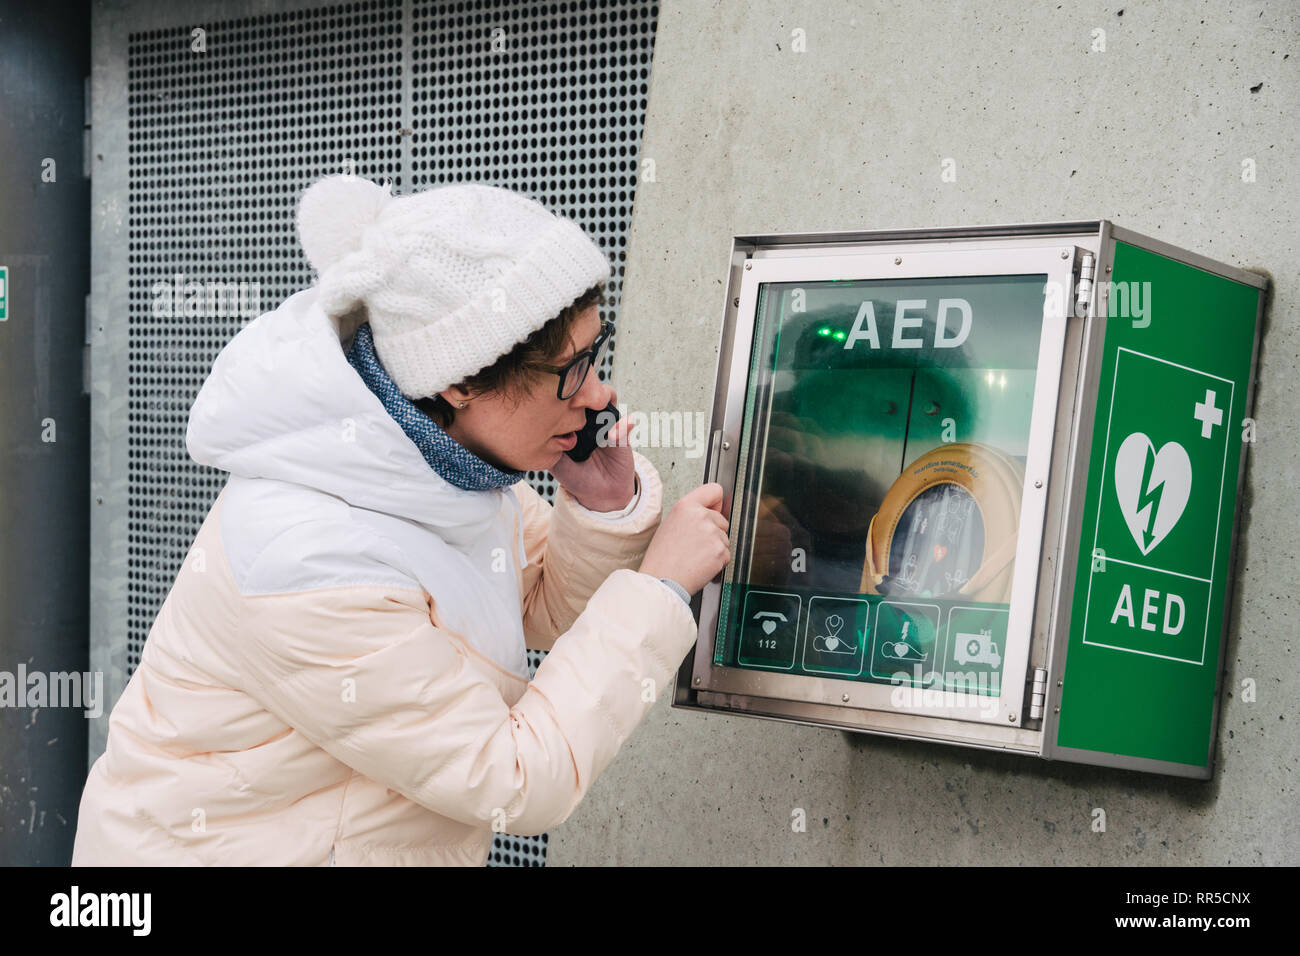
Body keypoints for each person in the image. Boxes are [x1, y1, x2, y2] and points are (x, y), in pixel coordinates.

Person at [70, 175, 729, 866]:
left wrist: (600, 509)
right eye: (572, 370)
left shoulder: (433, 458)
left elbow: (537, 603)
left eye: (599, 352)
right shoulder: (308, 560)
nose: (600, 394)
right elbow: (511, 780)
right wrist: (657, 591)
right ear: (460, 379)